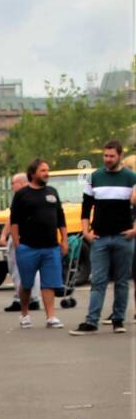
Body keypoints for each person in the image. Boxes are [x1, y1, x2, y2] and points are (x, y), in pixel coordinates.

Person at [72, 139, 136, 334]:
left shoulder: (131, 178)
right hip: (99, 238)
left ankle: (118, 320)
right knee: (98, 280)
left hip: (123, 237)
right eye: (105, 156)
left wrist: (134, 230)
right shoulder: (94, 177)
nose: (107, 159)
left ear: (119, 156)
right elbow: (85, 208)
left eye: (111, 156)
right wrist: (86, 231)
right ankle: (92, 321)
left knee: (122, 281)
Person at [9, 158, 67, 328]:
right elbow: (14, 221)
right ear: (33, 173)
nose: (46, 173)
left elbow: (61, 218)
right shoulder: (22, 195)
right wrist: (17, 244)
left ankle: (51, 317)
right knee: (26, 284)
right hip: (27, 247)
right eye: (43, 170)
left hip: (50, 247)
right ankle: (25, 314)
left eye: (47, 170)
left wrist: (64, 240)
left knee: (49, 283)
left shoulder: (52, 192)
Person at [0, 173, 34, 312]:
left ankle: (20, 299)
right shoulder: (35, 194)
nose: (12, 186)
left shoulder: (20, 197)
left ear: (20, 183)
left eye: (13, 183)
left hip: (18, 237)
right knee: (32, 269)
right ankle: (34, 298)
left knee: (17, 269)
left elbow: (12, 218)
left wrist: (4, 235)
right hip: (32, 238)